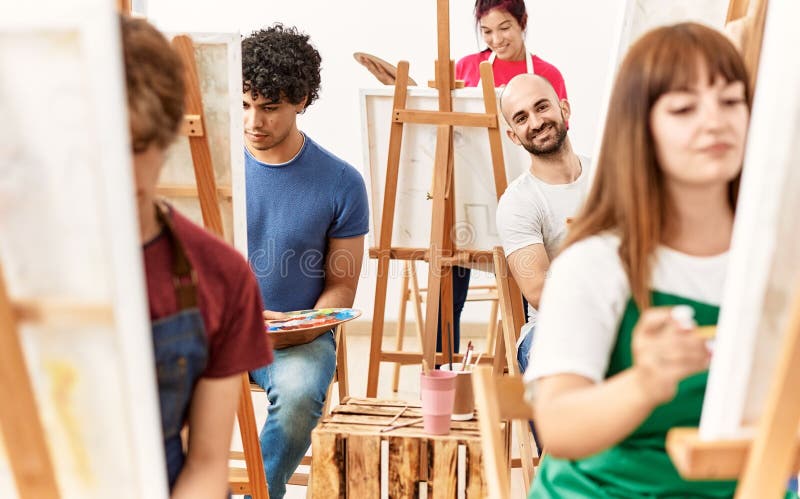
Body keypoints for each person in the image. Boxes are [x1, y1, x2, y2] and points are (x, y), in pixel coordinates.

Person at [524, 22, 790, 497]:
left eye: (731, 101)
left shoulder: (779, 259)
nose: (716, 121)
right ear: (640, 128)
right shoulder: (595, 263)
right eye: (685, 108)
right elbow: (559, 427)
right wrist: (645, 382)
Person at [120, 15, 273, 498]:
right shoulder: (17, 264)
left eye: (135, 147)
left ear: (166, 140)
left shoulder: (220, 277)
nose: (115, 168)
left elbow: (208, 464)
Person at [241, 24, 369, 499]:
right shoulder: (211, 164)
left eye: (270, 107)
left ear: (302, 101)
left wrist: (300, 326)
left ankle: (257, 493)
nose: (255, 121)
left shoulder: (342, 183)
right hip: (215, 331)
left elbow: (341, 290)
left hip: (295, 338)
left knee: (297, 396)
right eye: (246, 104)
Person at [434, 0, 570, 357]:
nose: (496, 39)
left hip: (525, 194)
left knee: (528, 277)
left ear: (523, 22)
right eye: (487, 31)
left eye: (504, 28)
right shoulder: (465, 69)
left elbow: (556, 142)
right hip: (470, 193)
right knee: (450, 263)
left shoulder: (545, 74)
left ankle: (526, 347)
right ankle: (443, 371)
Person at [495, 74, 589, 374]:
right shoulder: (519, 202)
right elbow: (539, 291)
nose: (535, 123)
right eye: (521, 118)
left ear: (565, 109)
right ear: (513, 136)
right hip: (552, 329)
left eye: (542, 107)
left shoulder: (613, 174)